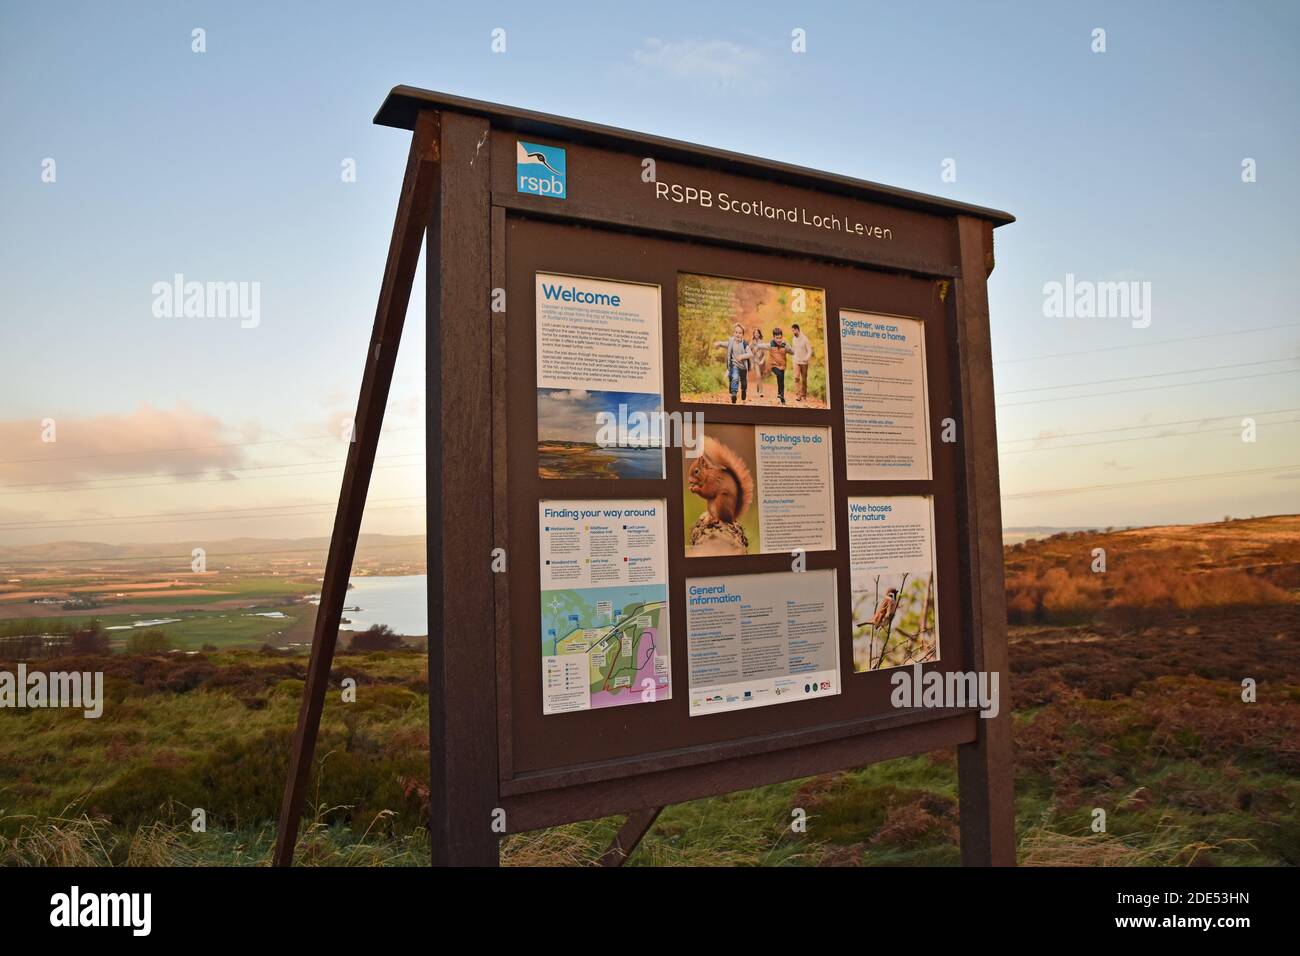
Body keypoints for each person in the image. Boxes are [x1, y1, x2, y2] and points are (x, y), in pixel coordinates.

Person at [714, 323, 753, 404]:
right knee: (735, 378)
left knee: (744, 382)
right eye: (736, 332)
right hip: (734, 365)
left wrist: (742, 356)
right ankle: (734, 394)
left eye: (739, 333)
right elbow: (726, 344)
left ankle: (743, 390)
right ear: (733, 333)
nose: (737, 334)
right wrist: (719, 343)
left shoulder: (744, 343)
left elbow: (750, 354)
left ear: (742, 335)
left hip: (743, 367)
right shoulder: (731, 341)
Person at [791, 323, 813, 402]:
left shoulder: (805, 339)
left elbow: (809, 350)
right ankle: (798, 395)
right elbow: (793, 350)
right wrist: (793, 358)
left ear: (797, 330)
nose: (793, 332)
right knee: (796, 377)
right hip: (796, 361)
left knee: (804, 380)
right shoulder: (793, 339)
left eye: (794, 330)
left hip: (804, 362)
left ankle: (804, 395)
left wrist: (806, 358)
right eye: (792, 331)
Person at [767, 327, 789, 405]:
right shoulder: (771, 344)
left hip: (782, 365)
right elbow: (763, 346)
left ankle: (781, 396)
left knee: (781, 381)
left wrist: (789, 348)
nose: (779, 340)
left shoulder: (784, 344)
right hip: (773, 365)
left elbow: (790, 351)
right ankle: (780, 395)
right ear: (774, 337)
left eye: (780, 338)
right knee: (779, 374)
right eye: (777, 338)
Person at [749, 328, 769, 398]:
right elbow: (750, 354)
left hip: (762, 362)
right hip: (755, 361)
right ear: (754, 334)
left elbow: (765, 354)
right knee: (758, 375)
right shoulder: (751, 343)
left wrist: (763, 360)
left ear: (759, 334)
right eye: (755, 333)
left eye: (757, 333)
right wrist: (751, 363)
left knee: (760, 376)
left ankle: (758, 389)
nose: (756, 334)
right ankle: (761, 391)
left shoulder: (762, 342)